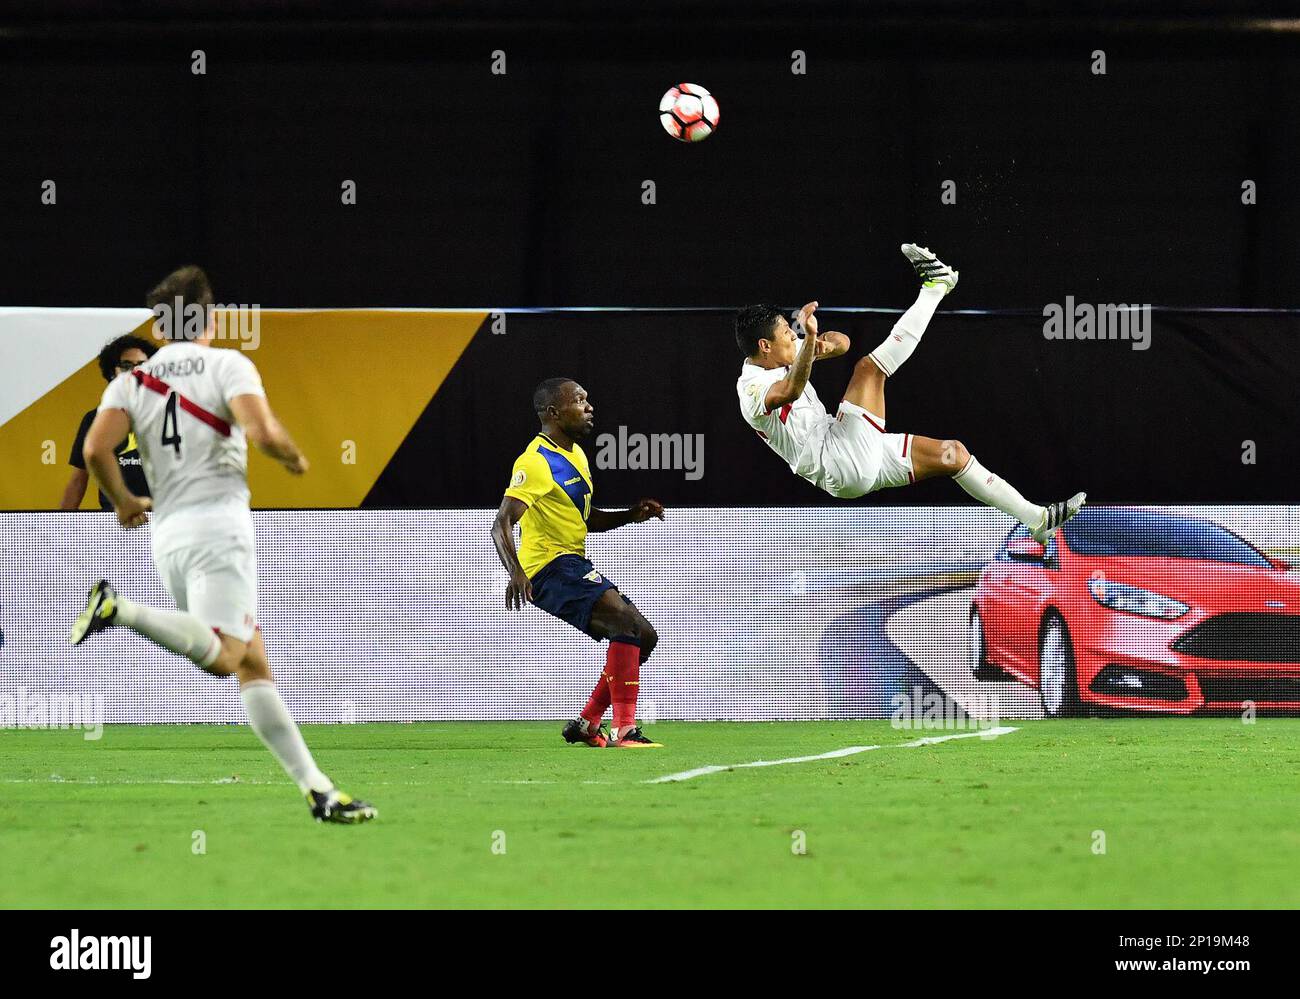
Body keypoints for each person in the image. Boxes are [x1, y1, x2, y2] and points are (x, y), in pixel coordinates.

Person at [68, 264, 376, 824]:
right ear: (208, 318)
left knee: (251, 661)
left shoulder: (130, 382)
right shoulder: (228, 364)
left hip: (168, 535)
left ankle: (318, 789)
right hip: (219, 525)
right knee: (227, 654)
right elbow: (262, 433)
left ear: (159, 326)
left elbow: (94, 451)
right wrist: (294, 458)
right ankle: (120, 608)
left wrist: (123, 503)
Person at [736, 244, 1086, 541]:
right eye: (786, 334)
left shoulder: (783, 353)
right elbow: (792, 390)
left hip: (849, 452)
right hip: (837, 458)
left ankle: (1036, 520)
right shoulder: (751, 390)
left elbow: (843, 343)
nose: (792, 336)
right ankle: (936, 286)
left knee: (953, 454)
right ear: (764, 346)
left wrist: (819, 344)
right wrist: (811, 341)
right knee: (869, 370)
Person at [491, 377, 666, 748]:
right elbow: (501, 523)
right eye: (580, 400)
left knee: (644, 637)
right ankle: (625, 730)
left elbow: (586, 520)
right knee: (623, 621)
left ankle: (588, 722)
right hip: (548, 568)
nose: (590, 407)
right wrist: (517, 572)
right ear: (554, 412)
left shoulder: (576, 455)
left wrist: (630, 515)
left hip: (571, 562)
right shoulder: (536, 461)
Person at [61, 335, 157, 510]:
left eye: (142, 365)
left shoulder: (169, 415)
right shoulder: (94, 419)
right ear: (112, 372)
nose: (135, 371)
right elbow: (77, 481)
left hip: (162, 520)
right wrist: (59, 531)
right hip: (112, 523)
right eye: (126, 366)